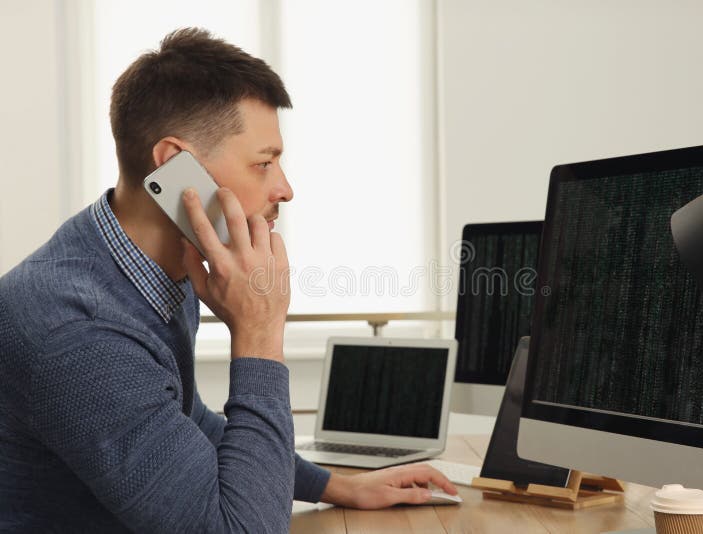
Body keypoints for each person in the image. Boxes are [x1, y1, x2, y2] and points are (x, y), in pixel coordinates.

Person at [0, 27, 457, 533]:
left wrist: (333, 485)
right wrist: (260, 334)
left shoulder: (143, 266)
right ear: (176, 166)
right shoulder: (75, 328)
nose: (285, 189)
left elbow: (183, 421)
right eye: (263, 164)